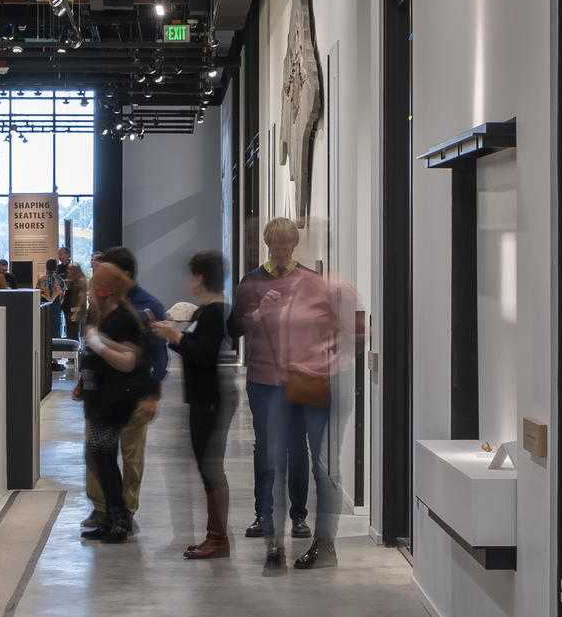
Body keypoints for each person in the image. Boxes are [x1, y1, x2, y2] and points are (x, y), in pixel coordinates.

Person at [233, 216, 359, 569]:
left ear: (295, 245)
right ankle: (265, 520)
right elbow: (235, 327)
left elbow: (340, 331)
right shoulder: (252, 282)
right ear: (267, 244)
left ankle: (300, 517)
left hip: (303, 380)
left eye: (287, 245)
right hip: (265, 380)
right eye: (276, 246)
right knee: (268, 451)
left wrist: (325, 359)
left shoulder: (314, 283)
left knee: (300, 450)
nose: (282, 251)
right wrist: (260, 313)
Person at [73, 255, 164, 543]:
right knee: (101, 458)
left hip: (114, 403)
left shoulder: (121, 318)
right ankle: (112, 517)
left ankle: (119, 519)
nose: (89, 293)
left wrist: (97, 342)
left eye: (93, 287)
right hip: (101, 402)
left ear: (104, 289)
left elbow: (128, 361)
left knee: (106, 458)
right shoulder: (107, 316)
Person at [170, 251, 237, 559]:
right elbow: (195, 348)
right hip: (203, 397)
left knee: (210, 467)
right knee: (206, 465)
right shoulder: (206, 312)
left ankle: (218, 538)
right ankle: (215, 535)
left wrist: (176, 337)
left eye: (192, 275)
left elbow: (204, 356)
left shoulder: (214, 313)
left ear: (199, 278)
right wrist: (172, 337)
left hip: (210, 398)